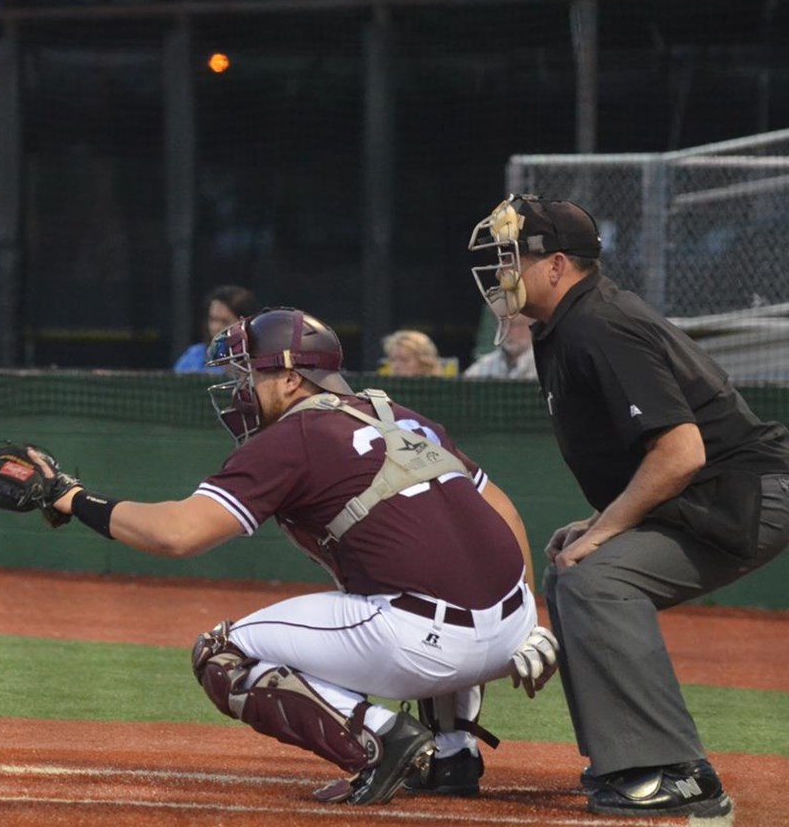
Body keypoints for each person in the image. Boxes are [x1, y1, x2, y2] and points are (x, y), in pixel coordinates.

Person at [33, 308, 554, 805]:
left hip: (424, 645)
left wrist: (73, 498)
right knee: (423, 583)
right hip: (516, 636)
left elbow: (178, 534)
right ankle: (453, 755)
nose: (240, 390)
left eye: (249, 374)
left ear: (289, 379)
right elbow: (502, 508)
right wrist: (530, 614)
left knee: (220, 653)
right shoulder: (401, 416)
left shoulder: (294, 435)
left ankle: (382, 739)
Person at [470, 193, 789, 818]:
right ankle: (626, 761)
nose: (501, 271)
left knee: (596, 581)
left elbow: (681, 452)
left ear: (556, 264)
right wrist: (597, 524)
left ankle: (680, 773)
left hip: (746, 495)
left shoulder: (601, 323)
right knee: (572, 573)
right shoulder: (569, 324)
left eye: (512, 257)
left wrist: (605, 531)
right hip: (709, 494)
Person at [171, 285, 257, 372]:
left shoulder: (256, 359)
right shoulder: (195, 355)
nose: (215, 327)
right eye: (212, 319)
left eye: (225, 322)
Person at [463, 314, 536, 381]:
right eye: (503, 325)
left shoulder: (541, 365)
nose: (507, 331)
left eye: (516, 325)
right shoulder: (483, 367)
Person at [380, 328, 445, 377]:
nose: (396, 366)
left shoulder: (442, 389)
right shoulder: (384, 388)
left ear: (424, 363)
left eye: (404, 360)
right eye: (393, 360)